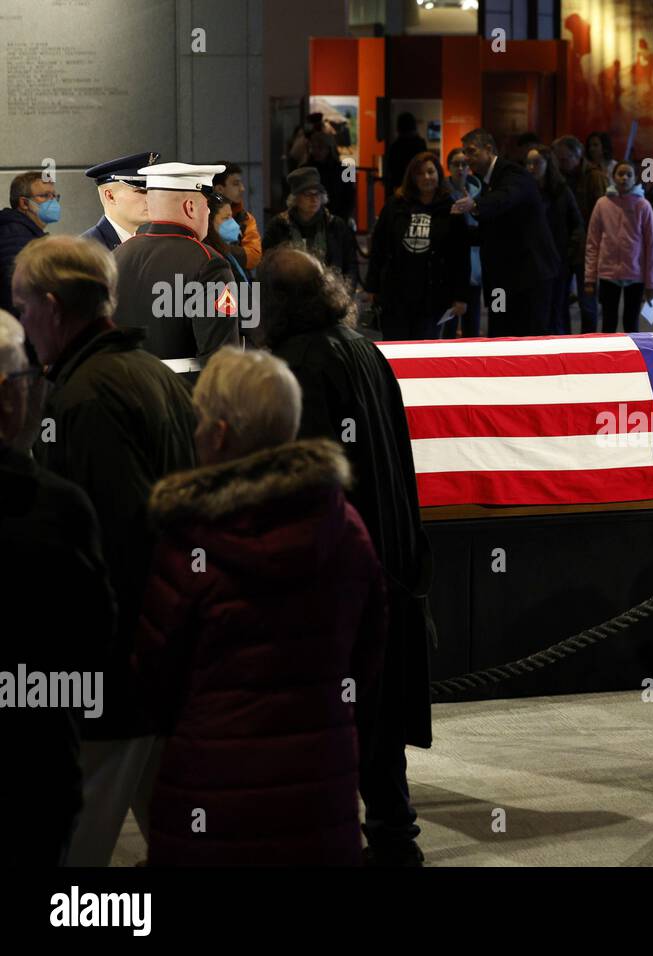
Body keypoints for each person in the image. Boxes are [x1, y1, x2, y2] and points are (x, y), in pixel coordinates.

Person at [134, 347, 386, 866]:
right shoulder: (347, 530)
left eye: (198, 417)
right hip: (321, 794)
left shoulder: (190, 543)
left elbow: (155, 679)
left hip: (214, 797)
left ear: (219, 435)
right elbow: (368, 659)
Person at [13, 236, 197, 864]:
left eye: (23, 307)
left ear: (54, 306)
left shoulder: (84, 397)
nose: (22, 323)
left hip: (119, 677)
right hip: (162, 658)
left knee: (72, 852)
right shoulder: (151, 375)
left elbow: (117, 540)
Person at [257, 248, 435, 866]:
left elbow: (306, 479)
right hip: (389, 558)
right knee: (380, 724)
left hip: (342, 568)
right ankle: (394, 836)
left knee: (340, 719)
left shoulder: (298, 363)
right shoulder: (364, 348)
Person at [0, 310, 116, 866]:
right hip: (34, 770)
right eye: (25, 381)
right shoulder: (55, 507)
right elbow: (95, 634)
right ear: (8, 399)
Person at [111, 162, 239, 370]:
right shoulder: (209, 263)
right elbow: (221, 360)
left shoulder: (117, 255)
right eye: (206, 205)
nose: (208, 212)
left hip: (123, 392)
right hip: (181, 394)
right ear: (190, 207)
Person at [450, 128, 560, 337]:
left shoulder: (513, 174)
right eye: (464, 152)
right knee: (501, 331)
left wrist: (474, 204)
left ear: (489, 149)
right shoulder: (488, 182)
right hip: (502, 283)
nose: (466, 157)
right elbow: (493, 229)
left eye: (472, 151)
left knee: (530, 338)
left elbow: (505, 198)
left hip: (530, 280)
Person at [364, 152, 470, 341]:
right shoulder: (395, 206)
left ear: (439, 174)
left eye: (430, 172)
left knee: (424, 353)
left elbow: (460, 257)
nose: (426, 177)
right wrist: (372, 287)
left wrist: (460, 296)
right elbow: (379, 248)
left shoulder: (451, 209)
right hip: (396, 297)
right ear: (411, 178)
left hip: (433, 298)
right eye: (419, 173)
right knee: (395, 352)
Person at [584, 160, 653, 334]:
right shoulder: (602, 204)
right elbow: (592, 242)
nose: (624, 178)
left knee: (631, 322)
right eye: (620, 174)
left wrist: (651, 283)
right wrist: (589, 277)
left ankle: (632, 357)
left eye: (629, 174)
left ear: (635, 179)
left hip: (635, 274)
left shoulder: (643, 206)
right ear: (613, 177)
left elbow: (652, 246)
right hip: (608, 273)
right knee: (608, 321)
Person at [263, 166, 359, 286]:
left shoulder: (335, 225)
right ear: (295, 198)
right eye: (307, 194)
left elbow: (350, 264)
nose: (314, 199)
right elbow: (266, 264)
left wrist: (346, 291)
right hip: (291, 295)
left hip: (330, 294)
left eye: (317, 193)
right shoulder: (279, 225)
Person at [553, 135, 609, 333]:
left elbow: (603, 215)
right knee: (560, 302)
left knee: (587, 303)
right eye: (557, 159)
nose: (560, 163)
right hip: (563, 246)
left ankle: (588, 347)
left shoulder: (595, 177)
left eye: (564, 159)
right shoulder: (558, 177)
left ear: (577, 156)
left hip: (587, 248)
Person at [527, 145, 583, 335]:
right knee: (537, 311)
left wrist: (568, 252)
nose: (531, 167)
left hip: (559, 260)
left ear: (548, 164)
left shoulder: (561, 191)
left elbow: (576, 223)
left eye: (536, 163)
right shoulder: (526, 191)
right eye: (528, 163)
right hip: (534, 261)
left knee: (558, 309)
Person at [1, 172, 56, 313]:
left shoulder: (28, 233)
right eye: (45, 196)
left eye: (54, 196)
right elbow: (17, 294)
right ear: (24, 203)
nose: (53, 202)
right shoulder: (15, 237)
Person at [81, 152, 157, 251]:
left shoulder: (146, 247)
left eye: (151, 191)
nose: (150, 199)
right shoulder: (86, 251)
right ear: (110, 196)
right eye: (141, 191)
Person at [445, 147, 483, 338]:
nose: (460, 168)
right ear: (449, 167)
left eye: (464, 164)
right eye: (456, 164)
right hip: (452, 260)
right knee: (449, 322)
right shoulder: (442, 193)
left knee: (473, 318)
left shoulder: (478, 190)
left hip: (475, 261)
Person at [212, 163, 263, 272]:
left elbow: (253, 256)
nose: (242, 188)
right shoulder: (202, 215)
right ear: (219, 189)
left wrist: (219, 247)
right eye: (236, 184)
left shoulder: (245, 218)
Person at [304, 130, 355, 223]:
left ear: (329, 149)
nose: (316, 151)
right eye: (313, 147)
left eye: (320, 148)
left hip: (336, 218)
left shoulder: (345, 169)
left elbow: (350, 198)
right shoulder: (304, 169)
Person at [205, 192, 251, 283]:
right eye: (226, 218)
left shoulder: (229, 251)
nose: (233, 224)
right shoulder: (211, 257)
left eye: (231, 217)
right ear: (210, 221)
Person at [383, 112, 427, 199]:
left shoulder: (395, 145)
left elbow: (390, 168)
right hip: (417, 184)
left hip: (398, 185)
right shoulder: (420, 143)